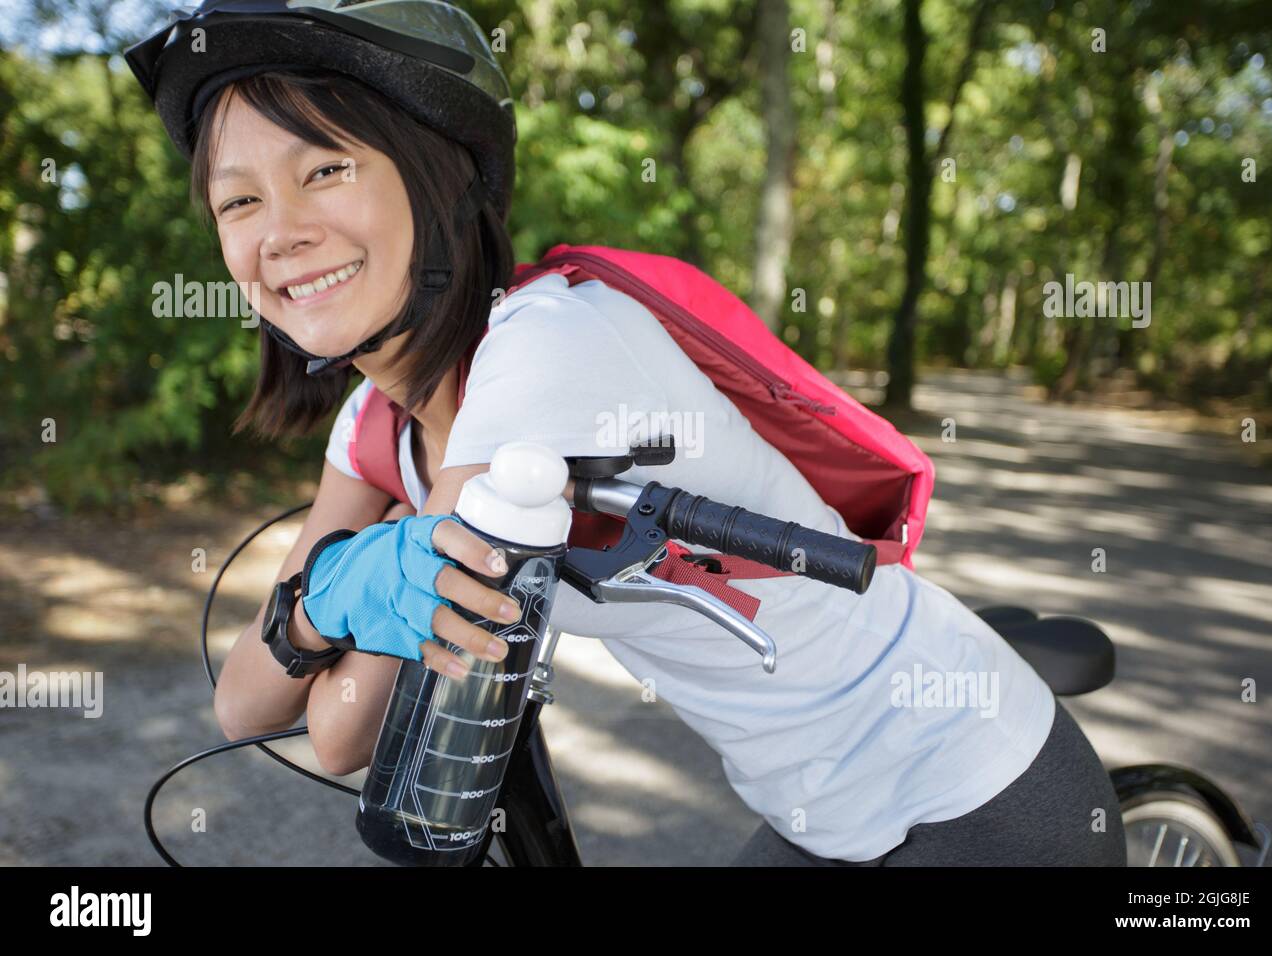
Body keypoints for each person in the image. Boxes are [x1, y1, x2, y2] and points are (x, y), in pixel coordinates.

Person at [126, 0, 1125, 866]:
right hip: (818, 810)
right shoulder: (374, 424)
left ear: (440, 174)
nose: (278, 230)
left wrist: (333, 592)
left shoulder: (550, 345)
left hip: (973, 786)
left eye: (324, 168)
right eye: (239, 200)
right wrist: (331, 596)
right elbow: (244, 707)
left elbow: (341, 729)